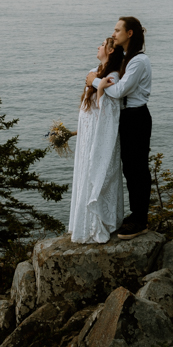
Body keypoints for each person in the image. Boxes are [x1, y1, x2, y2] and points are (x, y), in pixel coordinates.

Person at [90, 16, 152, 239]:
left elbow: (117, 91)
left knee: (138, 169)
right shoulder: (128, 58)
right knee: (129, 168)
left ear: (130, 33)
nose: (113, 34)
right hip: (128, 118)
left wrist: (95, 82)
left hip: (137, 117)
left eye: (117, 30)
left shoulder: (138, 61)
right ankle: (136, 215)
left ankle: (140, 220)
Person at [67, 37, 125, 243]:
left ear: (110, 51)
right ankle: (83, 224)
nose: (98, 46)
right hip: (88, 135)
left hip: (99, 137)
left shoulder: (113, 77)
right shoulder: (96, 72)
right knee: (85, 173)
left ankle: (96, 224)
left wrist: (98, 88)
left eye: (102, 44)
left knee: (96, 174)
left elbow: (109, 111)